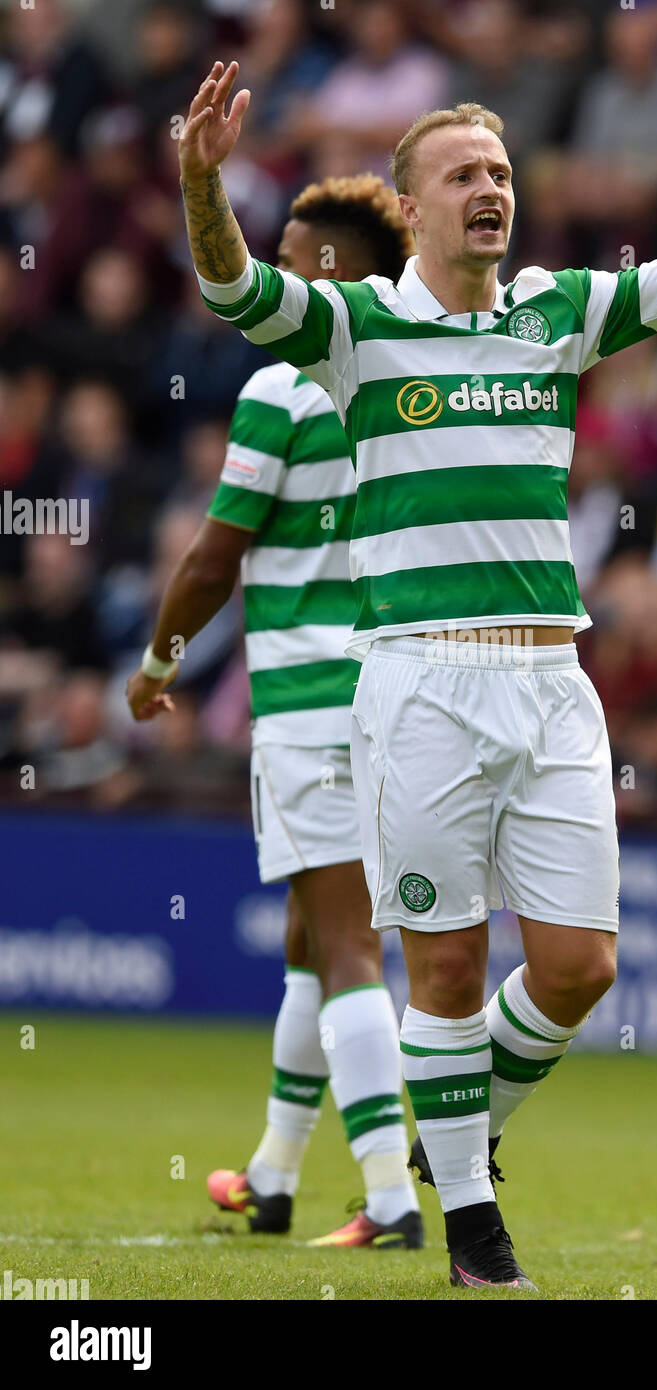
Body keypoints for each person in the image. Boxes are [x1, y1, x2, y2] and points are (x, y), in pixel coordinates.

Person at [175, 57, 657, 1290]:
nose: (491, 191)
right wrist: (205, 185)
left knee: (580, 967)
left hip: (549, 682)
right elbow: (234, 290)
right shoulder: (358, 329)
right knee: (449, 971)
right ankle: (475, 1237)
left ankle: (452, 1143)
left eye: (504, 173)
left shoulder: (557, 309)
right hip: (418, 682)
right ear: (409, 209)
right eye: (464, 174)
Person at [126, 175, 424, 1250]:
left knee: (347, 945)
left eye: (295, 258)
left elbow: (215, 552)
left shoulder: (284, 390)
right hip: (400, 693)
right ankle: (275, 1173)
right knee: (313, 935)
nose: (279, 274)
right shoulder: (408, 383)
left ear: (337, 270)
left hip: (309, 701)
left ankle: (390, 1197)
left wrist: (158, 660)